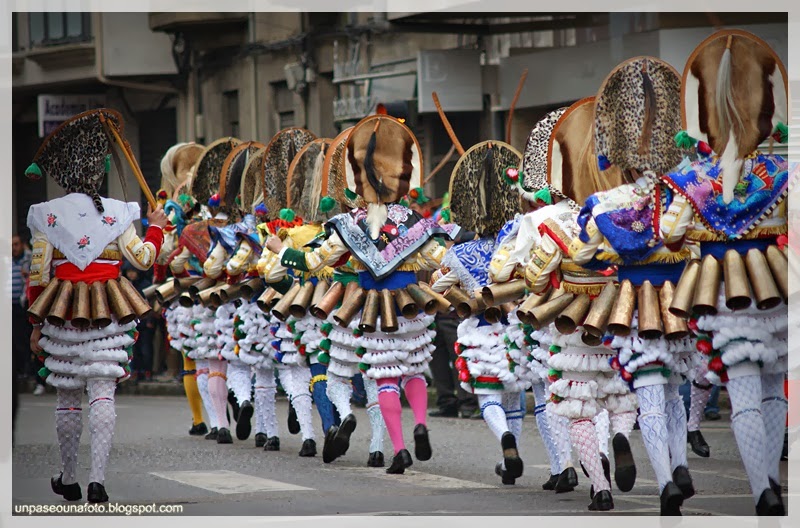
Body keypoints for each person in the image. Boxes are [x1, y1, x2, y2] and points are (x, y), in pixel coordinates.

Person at [265, 115, 460, 474]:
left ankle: (399, 449)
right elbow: (441, 259)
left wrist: (279, 249)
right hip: (410, 306)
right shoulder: (414, 221)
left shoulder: (348, 224)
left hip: (371, 308)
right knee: (414, 370)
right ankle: (420, 421)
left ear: (357, 181)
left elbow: (310, 261)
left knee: (383, 376)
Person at [659, 29, 789, 515]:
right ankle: (770, 481)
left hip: (724, 296)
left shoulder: (693, 181)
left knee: (747, 395)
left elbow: (671, 235)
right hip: (777, 292)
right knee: (776, 389)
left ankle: (763, 490)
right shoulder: (782, 176)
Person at [570, 58, 696, 515]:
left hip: (634, 306)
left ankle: (666, 482)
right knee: (675, 389)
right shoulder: (689, 191)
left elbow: (583, 256)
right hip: (681, 303)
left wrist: (606, 254)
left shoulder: (606, 202)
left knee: (650, 397)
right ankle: (681, 463)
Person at [24, 108, 167, 503]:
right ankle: (98, 480)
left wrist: (36, 326)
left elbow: (38, 275)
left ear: (64, 174)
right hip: (110, 306)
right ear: (97, 171)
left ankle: (68, 476)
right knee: (102, 391)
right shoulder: (120, 212)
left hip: (62, 310)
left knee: (68, 395)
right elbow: (142, 258)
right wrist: (155, 224)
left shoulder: (45, 214)